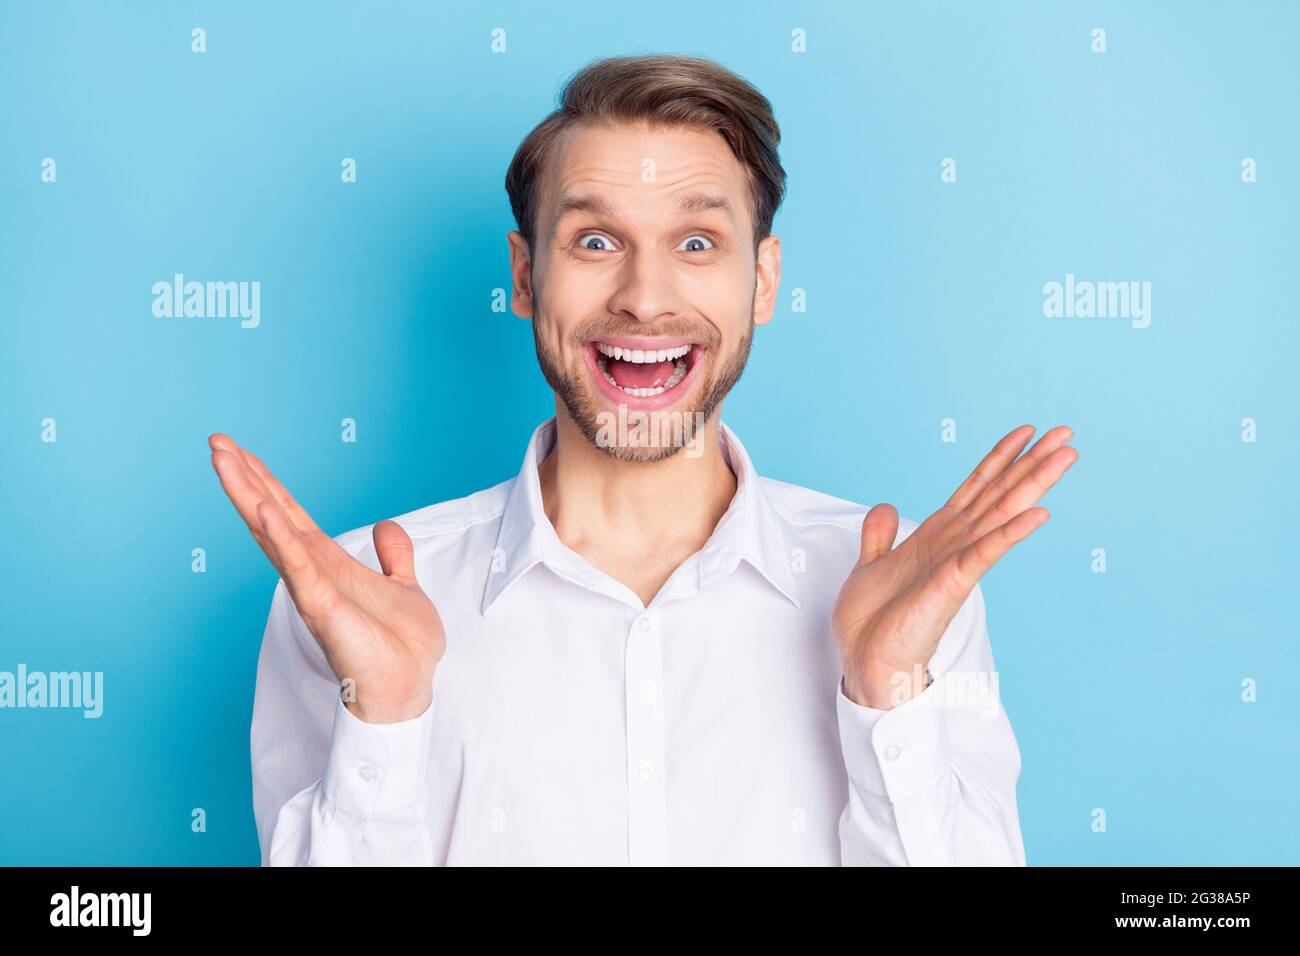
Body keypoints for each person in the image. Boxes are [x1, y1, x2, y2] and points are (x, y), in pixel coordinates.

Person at [209, 54, 1077, 865]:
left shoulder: (906, 590)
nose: (645, 298)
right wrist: (386, 723)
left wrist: (890, 690)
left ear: (763, 282)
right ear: (523, 274)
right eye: (595, 241)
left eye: (696, 243)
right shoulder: (351, 600)